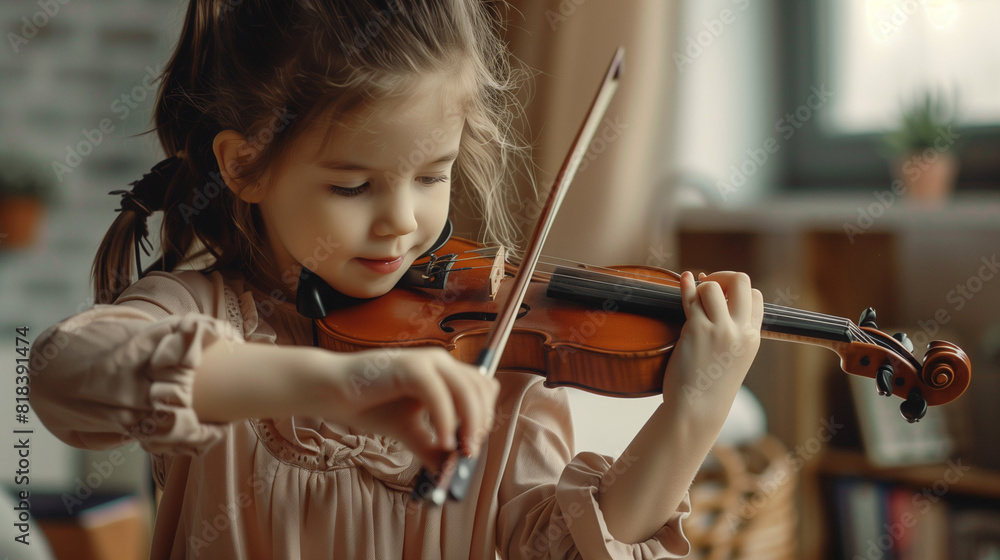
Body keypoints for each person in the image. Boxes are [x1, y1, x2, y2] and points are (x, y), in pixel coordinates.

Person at [29, 1, 764, 558]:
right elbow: (65, 372)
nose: (400, 222)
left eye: (431, 175)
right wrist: (333, 383)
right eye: (353, 187)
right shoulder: (206, 316)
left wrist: (693, 411)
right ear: (245, 163)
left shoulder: (489, 369)